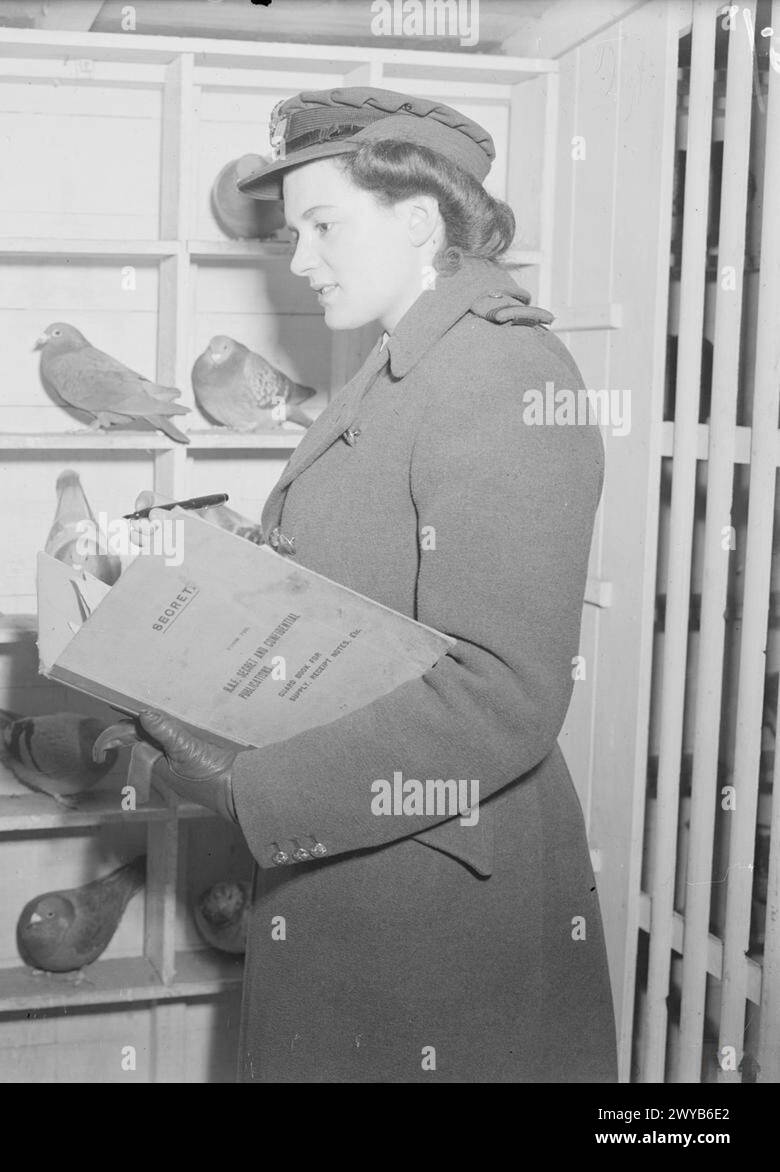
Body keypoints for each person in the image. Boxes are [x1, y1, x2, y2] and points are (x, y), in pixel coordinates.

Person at [124, 88, 618, 1081]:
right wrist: (241, 563)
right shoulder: (404, 363)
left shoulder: (501, 377)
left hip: (433, 899)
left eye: (321, 225)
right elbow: (377, 585)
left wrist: (246, 787)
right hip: (373, 863)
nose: (298, 258)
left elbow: (502, 691)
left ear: (420, 220)